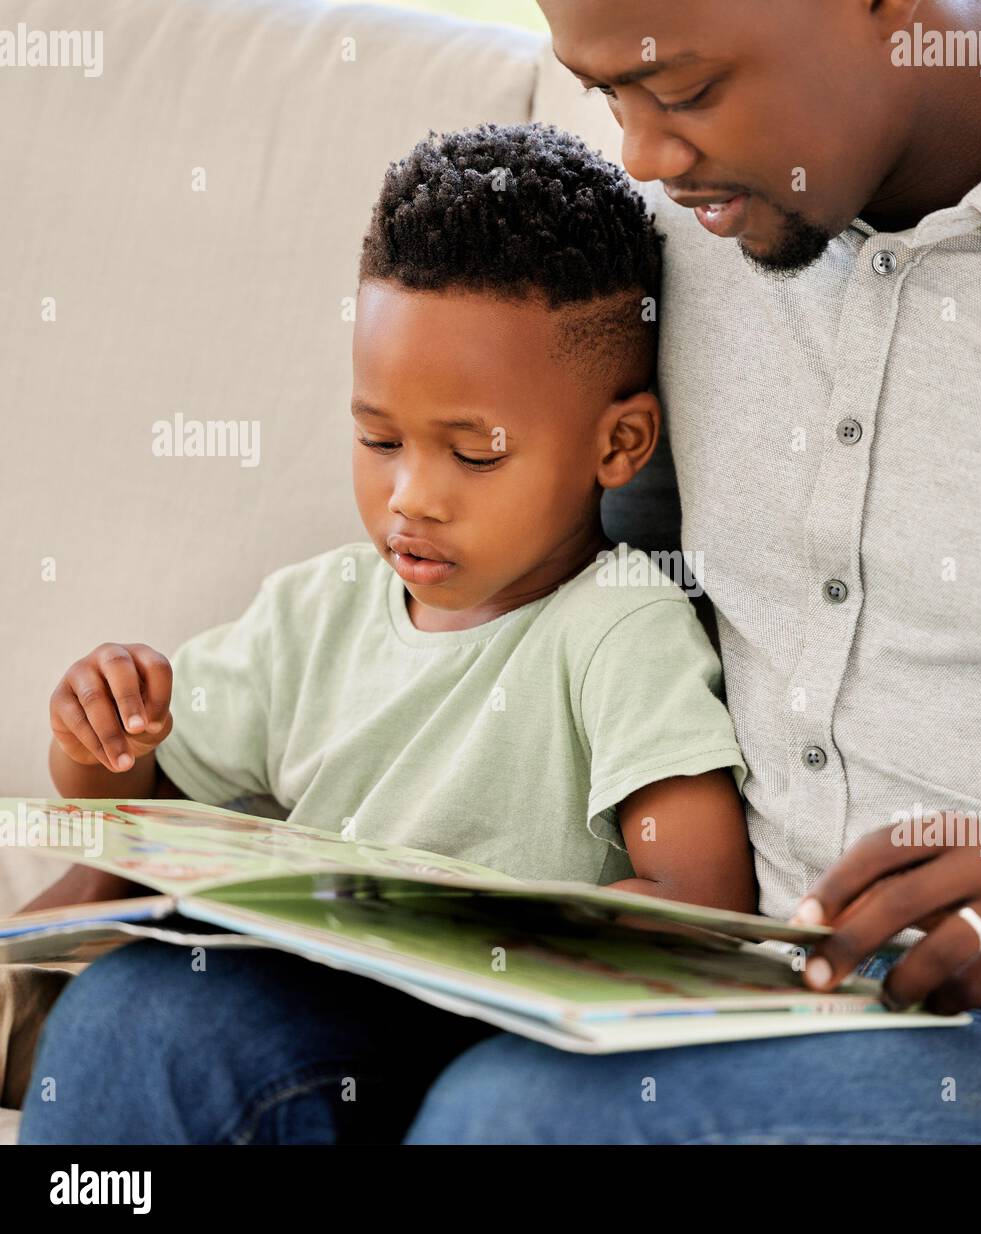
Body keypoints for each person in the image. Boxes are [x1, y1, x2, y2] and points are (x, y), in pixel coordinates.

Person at [402, 0, 981, 1145]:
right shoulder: (685, 235)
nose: (641, 157)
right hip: (726, 975)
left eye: (680, 91)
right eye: (606, 95)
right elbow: (596, 596)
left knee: (527, 1120)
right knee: (168, 1018)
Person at [19, 123, 759, 1143]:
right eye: (378, 439)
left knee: (153, 1026)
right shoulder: (318, 608)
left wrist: (471, 933)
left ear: (617, 443)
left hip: (486, 1044)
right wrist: (98, 729)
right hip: (303, 1017)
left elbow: (702, 900)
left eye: (474, 454)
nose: (412, 497)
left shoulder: (617, 625)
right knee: (129, 1012)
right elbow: (136, 800)